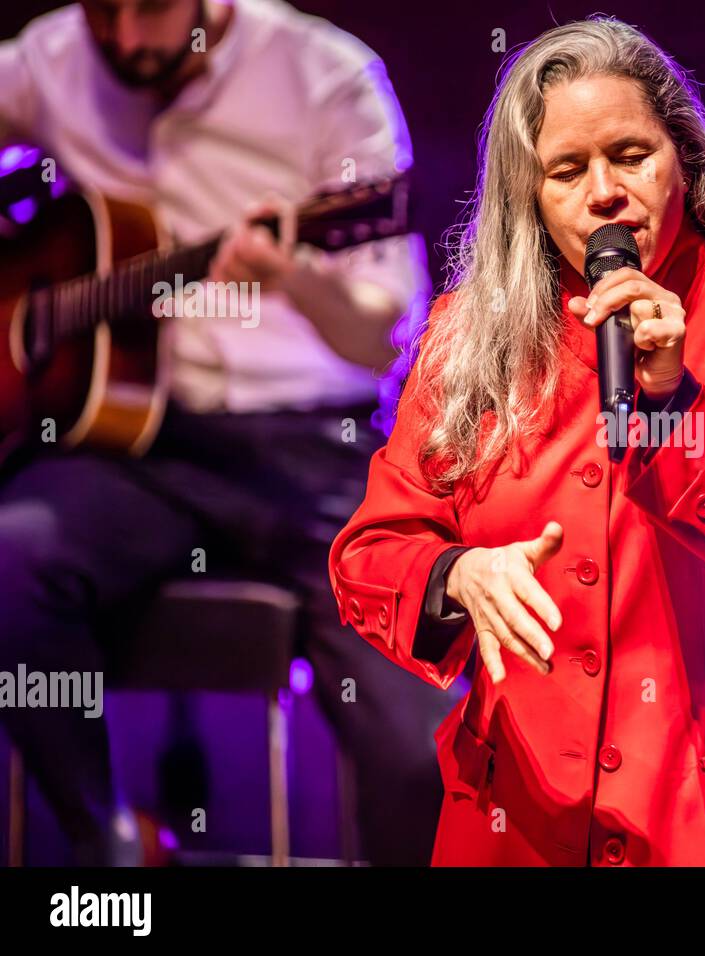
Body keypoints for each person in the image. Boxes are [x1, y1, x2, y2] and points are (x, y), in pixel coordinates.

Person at [330, 16, 705, 866]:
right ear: (528, 195)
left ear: (683, 160)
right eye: (566, 170)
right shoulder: (464, 337)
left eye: (630, 156)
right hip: (524, 819)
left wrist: (673, 402)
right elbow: (372, 554)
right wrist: (458, 574)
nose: (604, 193)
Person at [0, 0, 461, 865]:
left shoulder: (327, 75)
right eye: (105, 15)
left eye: (151, 11)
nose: (126, 41)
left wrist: (294, 280)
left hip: (314, 453)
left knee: (419, 741)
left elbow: (389, 335)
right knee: (10, 558)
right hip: (142, 450)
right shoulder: (48, 57)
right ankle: (109, 845)